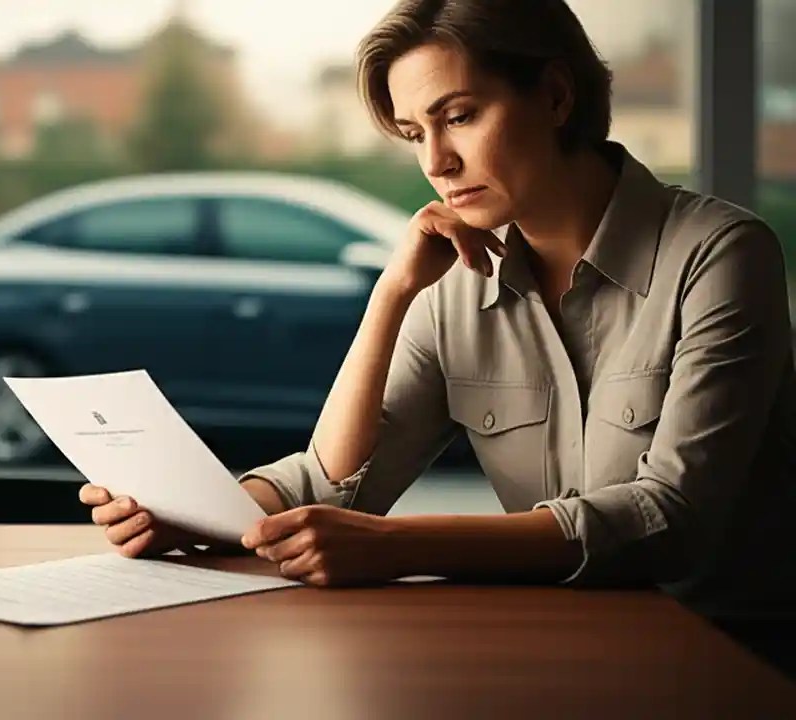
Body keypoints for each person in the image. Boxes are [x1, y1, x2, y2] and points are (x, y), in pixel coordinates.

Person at [78, 0, 796, 668]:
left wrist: (394, 547)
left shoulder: (722, 253)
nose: (435, 163)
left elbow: (669, 518)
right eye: (415, 133)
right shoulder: (455, 280)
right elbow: (337, 488)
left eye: (459, 116)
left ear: (554, 95)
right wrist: (199, 516)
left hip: (732, 663)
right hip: (561, 655)